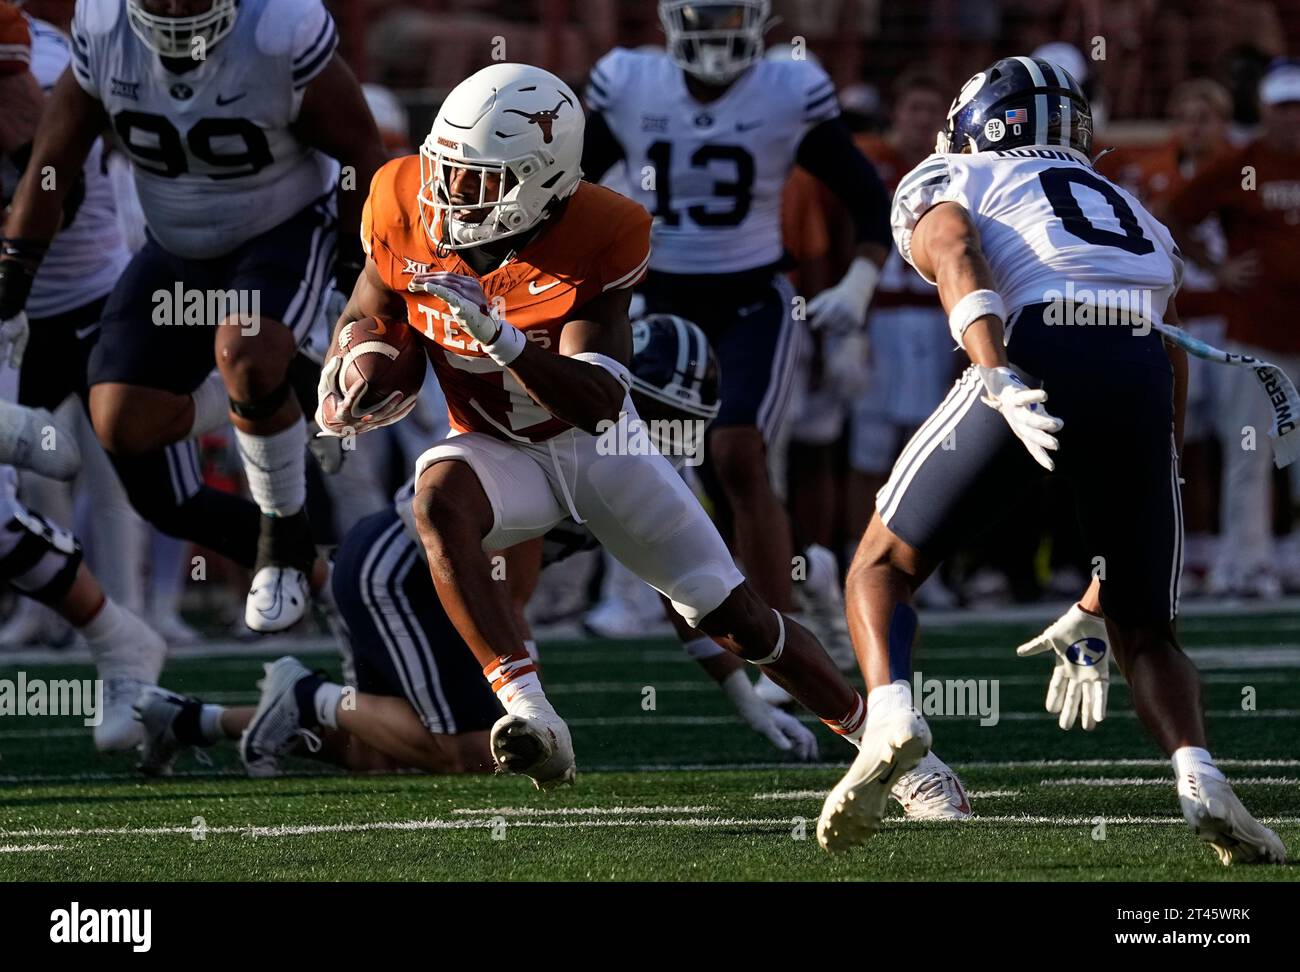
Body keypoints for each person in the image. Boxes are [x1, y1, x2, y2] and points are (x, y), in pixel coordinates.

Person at [316, 62, 872, 791]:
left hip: (593, 448)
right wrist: (349, 365)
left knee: (737, 614)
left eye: (478, 180)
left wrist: (502, 339)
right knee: (437, 496)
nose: (449, 194)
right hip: (493, 447)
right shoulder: (399, 199)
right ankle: (530, 712)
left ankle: (881, 737)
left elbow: (601, 403)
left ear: (541, 181)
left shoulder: (602, 229)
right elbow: (371, 307)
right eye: (445, 169)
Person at [818, 56, 1285, 866]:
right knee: (1148, 629)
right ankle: (1196, 768)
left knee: (881, 563)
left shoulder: (958, 171)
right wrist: (1106, 584)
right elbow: (1155, 349)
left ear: (982, 124)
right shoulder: (1129, 205)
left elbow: (955, 244)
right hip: (1137, 369)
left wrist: (994, 367)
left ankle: (892, 716)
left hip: (1032, 346)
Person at [136, 313, 824, 777]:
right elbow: (504, 579)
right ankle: (308, 696)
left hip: (424, 575)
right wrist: (526, 691)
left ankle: (195, 720)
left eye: (685, 423)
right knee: (472, 748)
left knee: (392, 753)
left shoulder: (638, 460)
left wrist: (745, 699)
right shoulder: (570, 438)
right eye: (668, 417)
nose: (675, 437)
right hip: (403, 573)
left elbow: (681, 591)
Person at [0, 0, 386, 632]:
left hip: (281, 224)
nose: (179, 8)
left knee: (246, 352)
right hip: (177, 242)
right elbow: (52, 162)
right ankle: (277, 387)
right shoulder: (104, 28)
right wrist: (13, 279)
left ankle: (282, 542)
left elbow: (359, 152)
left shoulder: (277, 28)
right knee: (124, 424)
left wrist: (349, 269)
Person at [580, 2, 892, 653]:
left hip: (753, 298)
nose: (720, 29)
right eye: (709, 13)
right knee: (659, 466)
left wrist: (859, 285)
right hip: (656, 300)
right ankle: (766, 584)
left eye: (731, 15)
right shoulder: (630, 81)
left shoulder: (788, 88)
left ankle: (778, 639)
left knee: (737, 453)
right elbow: (568, 187)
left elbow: (867, 199)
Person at [1164, 59, 1300, 600]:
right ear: (1265, 111)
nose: (1291, 118)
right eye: (1283, 107)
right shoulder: (1242, 165)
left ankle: (1273, 559)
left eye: (1297, 108)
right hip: (1256, 331)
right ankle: (1247, 562)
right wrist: (1216, 268)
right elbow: (1173, 215)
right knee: (1251, 453)